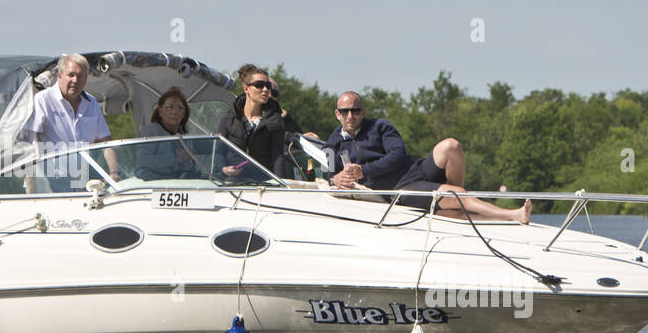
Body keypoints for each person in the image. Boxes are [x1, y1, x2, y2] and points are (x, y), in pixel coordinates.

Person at [325, 92, 531, 223]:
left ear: (363, 111)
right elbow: (326, 172)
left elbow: (398, 155)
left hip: (415, 169)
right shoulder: (332, 142)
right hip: (398, 188)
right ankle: (513, 214)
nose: (350, 116)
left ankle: (455, 204)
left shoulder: (380, 126)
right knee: (457, 194)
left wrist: (364, 170)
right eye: (345, 111)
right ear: (337, 113)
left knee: (452, 145)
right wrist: (334, 178)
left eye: (355, 110)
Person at [22, 53, 119, 192]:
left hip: (84, 183)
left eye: (80, 76)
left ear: (86, 79)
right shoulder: (42, 100)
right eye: (71, 75)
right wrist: (33, 181)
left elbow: (106, 143)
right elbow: (29, 141)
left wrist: (114, 173)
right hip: (50, 185)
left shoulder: (92, 104)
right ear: (60, 76)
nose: (75, 80)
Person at [217, 65, 305, 179]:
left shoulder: (275, 120)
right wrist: (224, 169)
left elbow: (278, 156)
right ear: (246, 89)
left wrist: (281, 184)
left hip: (263, 184)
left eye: (268, 86)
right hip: (231, 183)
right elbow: (218, 152)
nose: (265, 90)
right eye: (259, 85)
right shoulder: (228, 118)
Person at [136, 87, 199, 178]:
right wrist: (176, 157)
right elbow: (143, 161)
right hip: (153, 183)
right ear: (160, 111)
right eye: (169, 107)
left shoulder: (185, 137)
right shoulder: (150, 131)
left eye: (179, 108)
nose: (174, 112)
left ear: (184, 113)